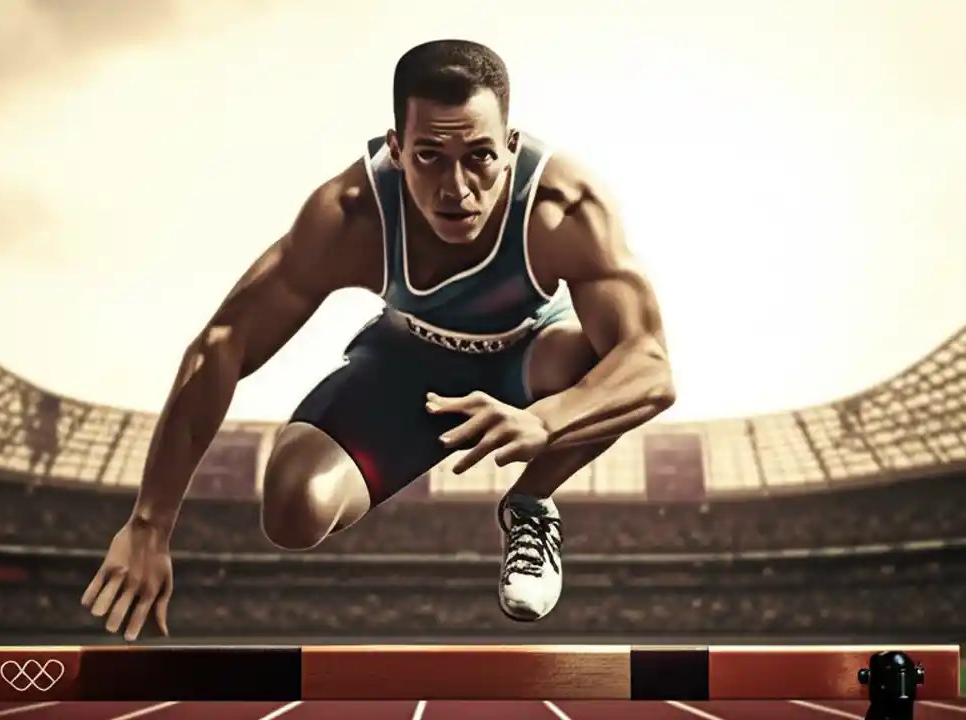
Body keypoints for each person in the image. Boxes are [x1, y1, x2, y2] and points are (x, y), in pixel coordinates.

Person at [82, 39, 676, 641]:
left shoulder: (562, 208)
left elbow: (650, 367)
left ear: (512, 146)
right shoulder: (351, 216)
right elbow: (224, 343)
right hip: (407, 367)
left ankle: (529, 506)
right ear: (395, 148)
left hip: (530, 364)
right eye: (429, 157)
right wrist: (149, 525)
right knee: (292, 511)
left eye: (479, 157)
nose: (457, 188)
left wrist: (548, 422)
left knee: (600, 359)